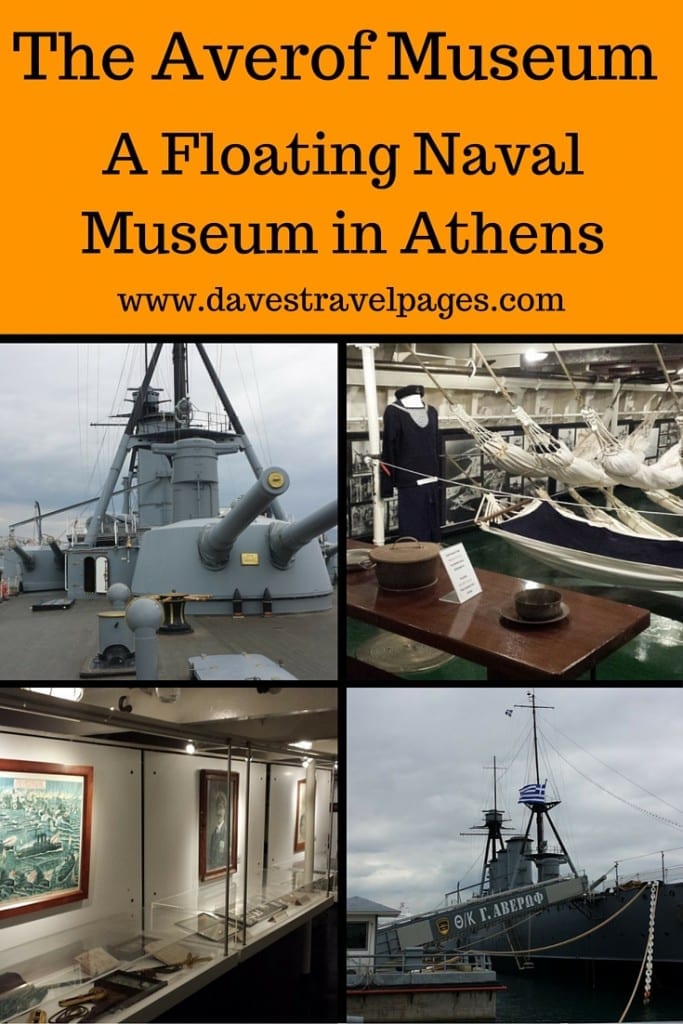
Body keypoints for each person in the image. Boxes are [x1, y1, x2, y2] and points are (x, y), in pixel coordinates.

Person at [380, 384, 441, 541]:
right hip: (424, 478)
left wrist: (387, 486)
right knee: (424, 525)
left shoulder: (394, 412)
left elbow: (389, 448)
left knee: (417, 527)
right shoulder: (396, 412)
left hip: (414, 480)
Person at [208, 790, 228, 869]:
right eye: (217, 808)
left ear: (225, 810)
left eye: (221, 808)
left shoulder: (225, 831)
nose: (219, 811)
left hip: (220, 869)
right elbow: (211, 855)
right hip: (213, 869)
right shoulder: (213, 834)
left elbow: (222, 853)